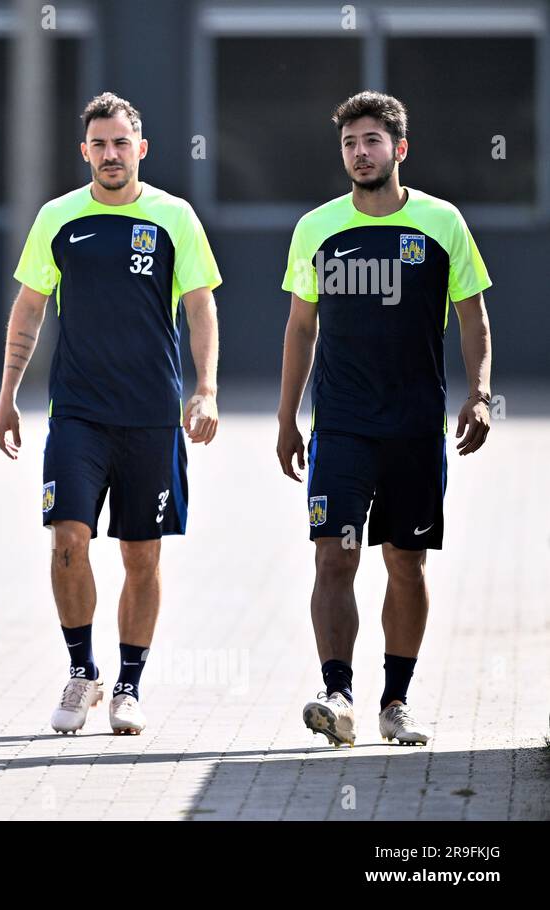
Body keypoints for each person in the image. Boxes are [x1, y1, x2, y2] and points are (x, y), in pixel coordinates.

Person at [0, 92, 222, 736]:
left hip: (151, 415)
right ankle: (81, 672)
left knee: (141, 555)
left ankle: (128, 685)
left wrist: (205, 389)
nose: (111, 154)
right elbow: (30, 308)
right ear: (84, 151)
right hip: (78, 415)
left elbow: (201, 305)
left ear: (140, 149)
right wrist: (9, 394)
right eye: (100, 144)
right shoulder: (59, 218)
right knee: (68, 539)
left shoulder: (174, 217)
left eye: (122, 143)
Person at [276, 91, 493, 746]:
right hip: (340, 427)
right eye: (349, 142)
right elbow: (299, 328)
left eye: (371, 140)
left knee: (406, 562)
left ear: (399, 149)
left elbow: (473, 317)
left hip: (414, 427)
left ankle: (395, 701)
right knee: (333, 559)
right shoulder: (316, 227)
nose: (359, 153)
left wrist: (480, 393)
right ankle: (337, 693)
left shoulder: (442, 222)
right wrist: (287, 418)